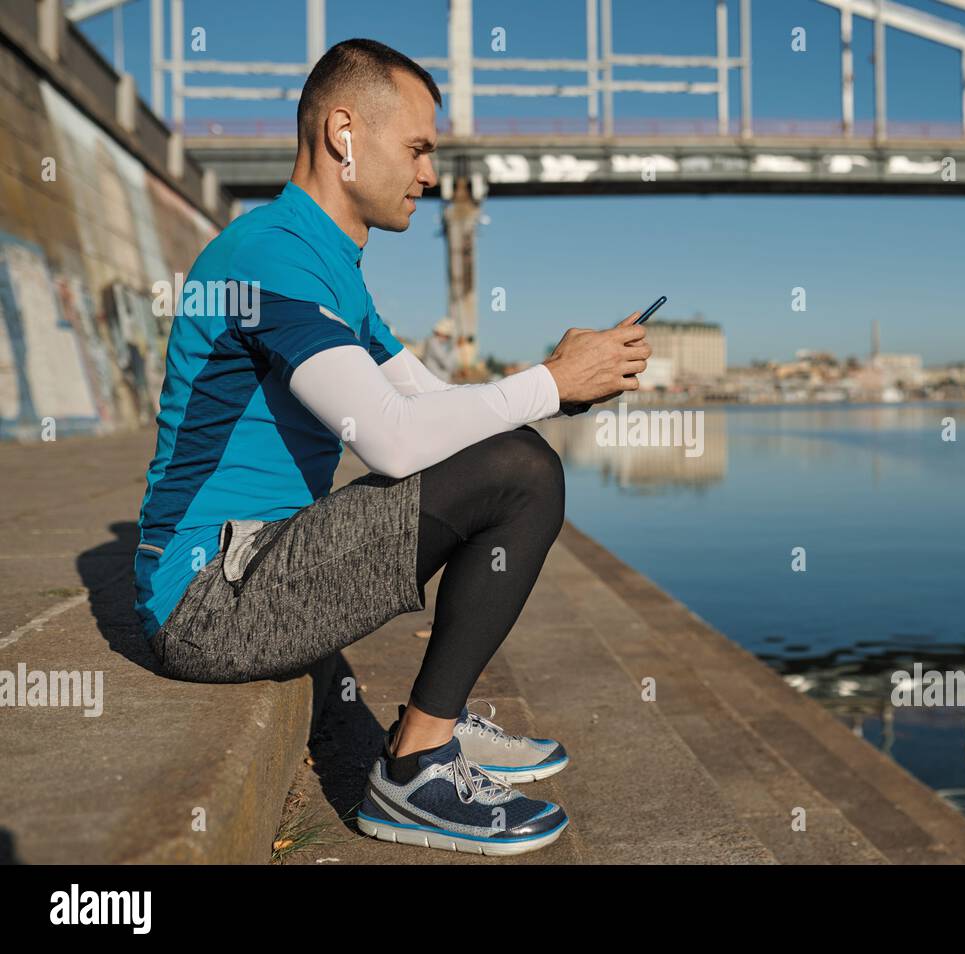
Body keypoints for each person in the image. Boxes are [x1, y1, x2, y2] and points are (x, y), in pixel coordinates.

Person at [132, 38, 650, 856]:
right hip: (209, 605)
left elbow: (438, 408)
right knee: (521, 472)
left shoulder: (329, 266)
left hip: (255, 564)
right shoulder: (269, 257)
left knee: (513, 453)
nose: (431, 177)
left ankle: (428, 723)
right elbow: (393, 442)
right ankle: (415, 768)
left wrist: (565, 386)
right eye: (417, 149)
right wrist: (549, 380)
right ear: (344, 133)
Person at [421, 316, 457, 381]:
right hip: (435, 382)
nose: (447, 339)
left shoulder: (436, 344)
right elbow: (447, 364)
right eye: (447, 336)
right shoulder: (433, 342)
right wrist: (456, 348)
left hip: (437, 382)